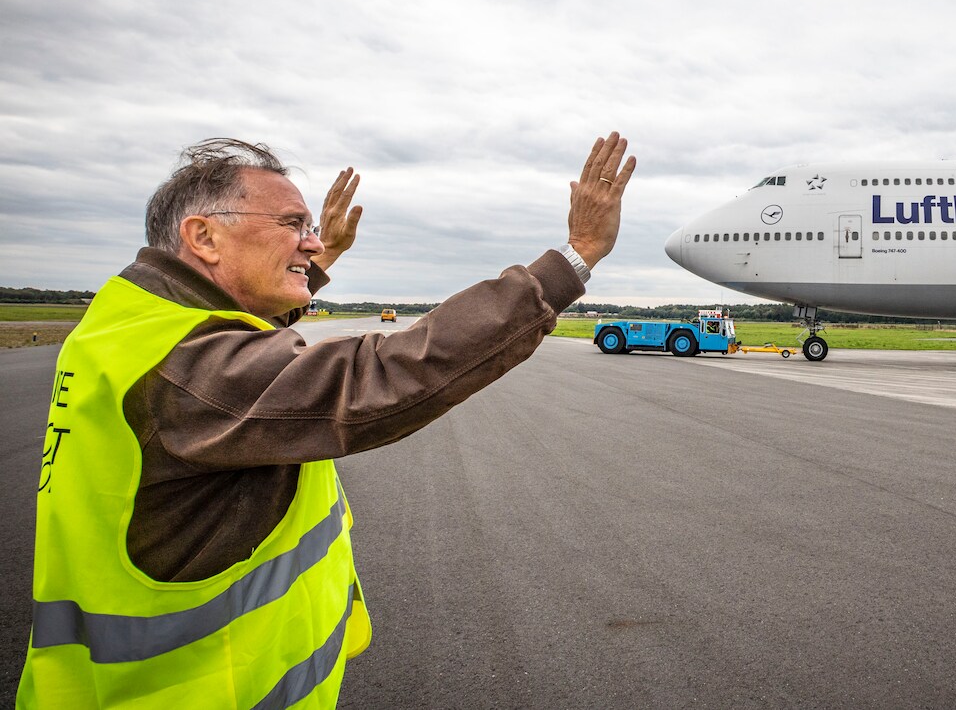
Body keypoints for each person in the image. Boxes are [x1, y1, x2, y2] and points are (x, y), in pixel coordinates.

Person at [19, 132, 636, 708]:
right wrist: (573, 259)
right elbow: (380, 374)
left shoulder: (136, 327)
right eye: (292, 225)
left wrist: (307, 265)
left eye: (310, 228)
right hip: (197, 689)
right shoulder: (190, 368)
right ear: (203, 237)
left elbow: (240, 358)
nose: (311, 241)